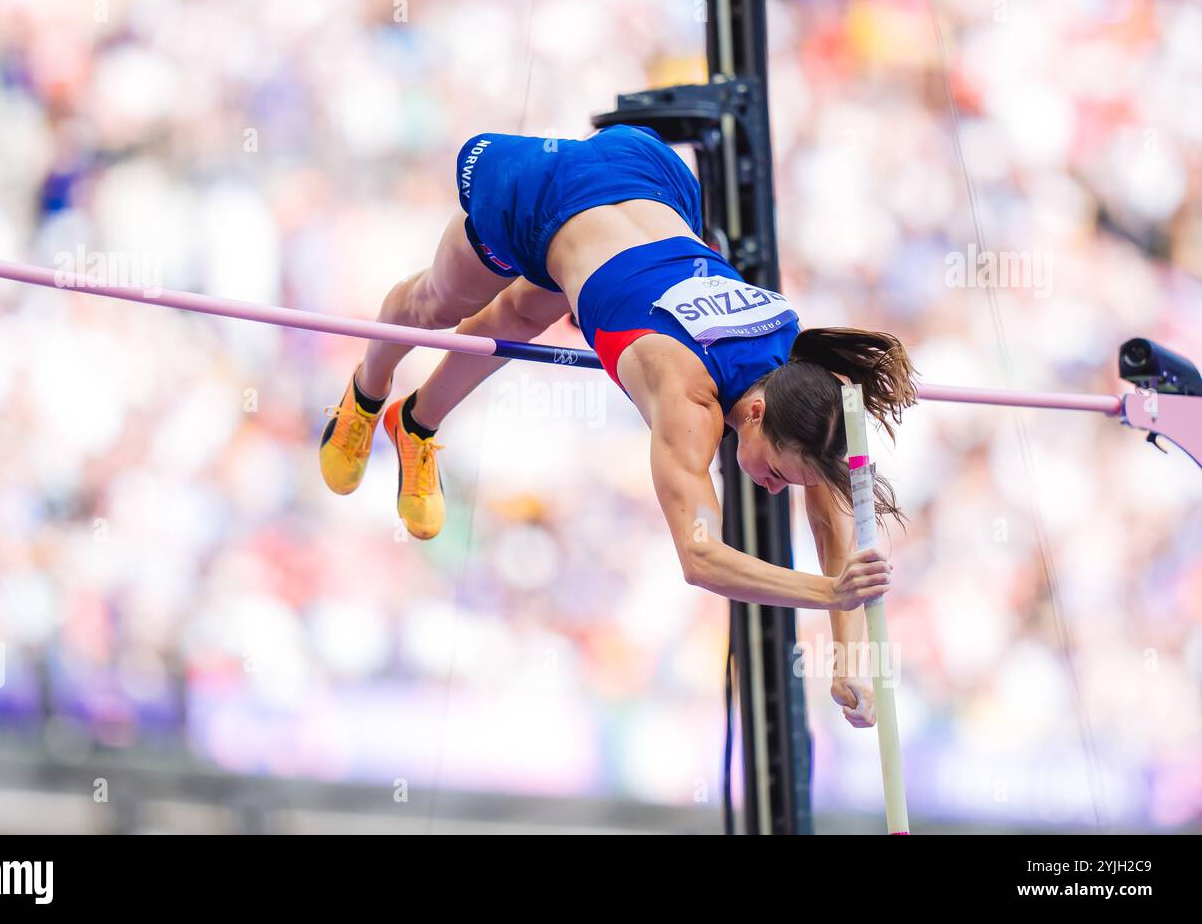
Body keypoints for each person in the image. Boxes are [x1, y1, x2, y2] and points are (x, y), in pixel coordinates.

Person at [319, 125, 917, 728]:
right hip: (544, 195)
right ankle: (368, 391)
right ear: (755, 414)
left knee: (519, 318)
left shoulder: (800, 383)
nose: (774, 488)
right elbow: (701, 558)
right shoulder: (689, 404)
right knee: (434, 306)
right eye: (778, 473)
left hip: (647, 183)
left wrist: (848, 655)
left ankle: (417, 423)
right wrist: (825, 594)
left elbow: (830, 514)